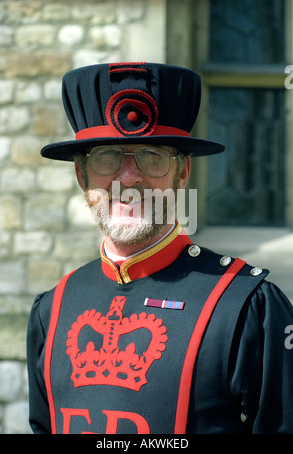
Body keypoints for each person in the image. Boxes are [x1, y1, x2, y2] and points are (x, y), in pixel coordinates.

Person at [27, 62, 293, 434]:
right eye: (107, 156)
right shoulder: (52, 309)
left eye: (152, 155)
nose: (129, 176)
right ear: (82, 175)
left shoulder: (248, 305)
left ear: (182, 173)